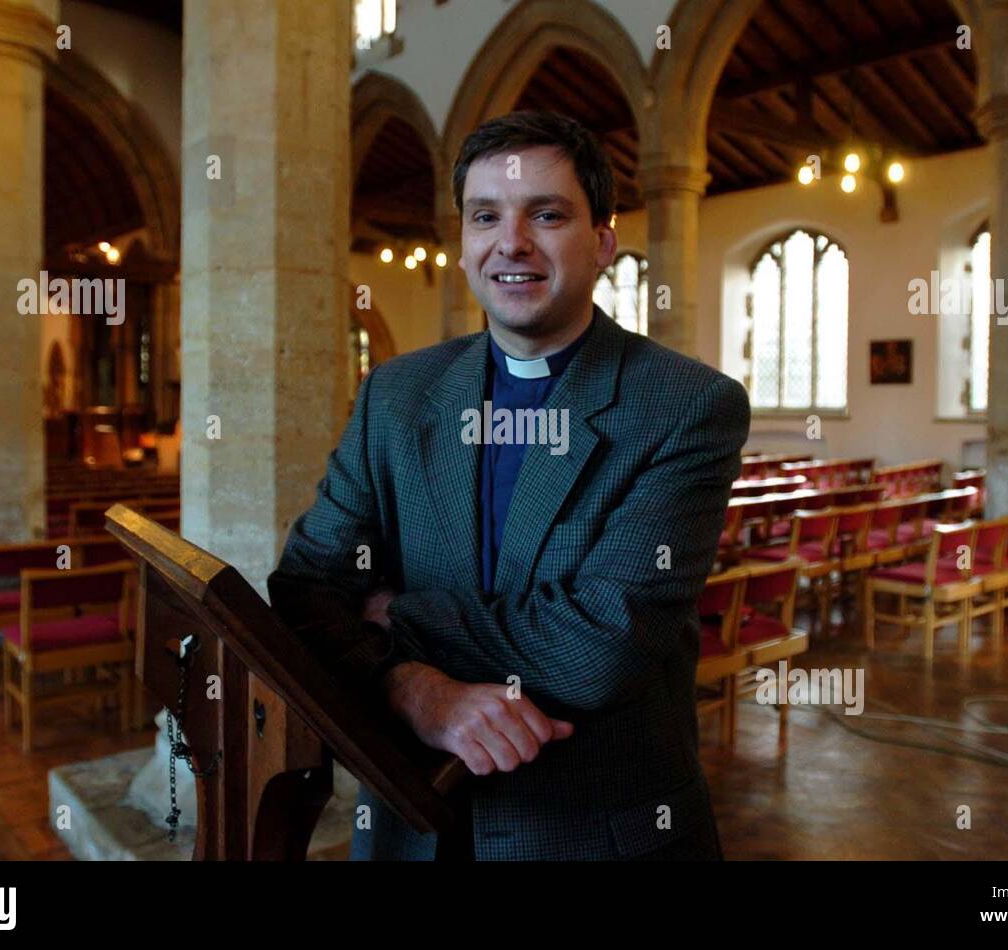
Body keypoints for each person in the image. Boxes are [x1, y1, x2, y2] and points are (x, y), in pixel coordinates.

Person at [268, 110, 750, 860]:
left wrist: (398, 619)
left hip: (593, 832)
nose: (512, 242)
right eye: (485, 216)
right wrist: (413, 689)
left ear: (602, 243)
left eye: (547, 215)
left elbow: (599, 646)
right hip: (407, 824)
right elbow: (304, 589)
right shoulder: (397, 396)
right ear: (463, 247)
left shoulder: (684, 406)